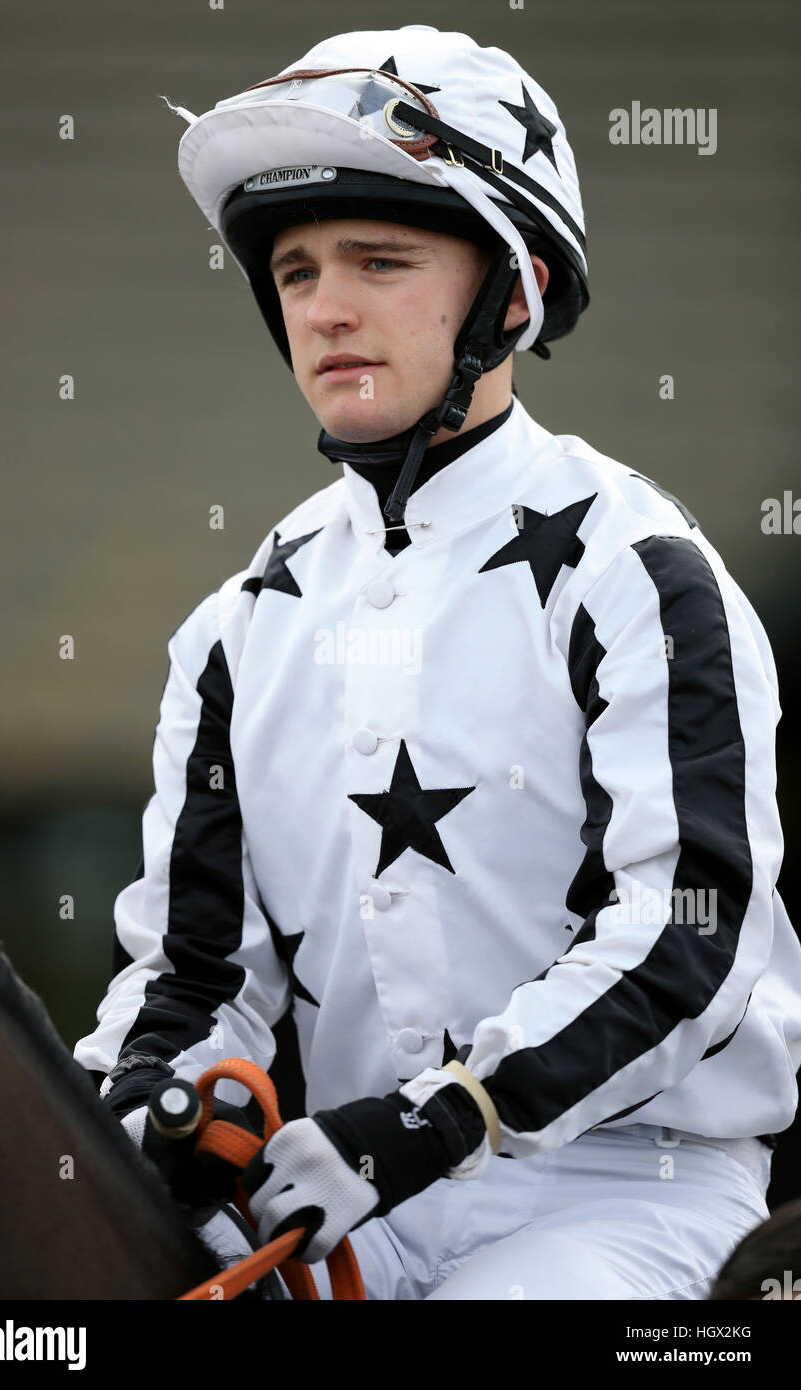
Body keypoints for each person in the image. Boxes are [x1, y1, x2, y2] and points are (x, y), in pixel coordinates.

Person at [74, 25, 801, 1300]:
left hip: (626, 1191)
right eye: (295, 273)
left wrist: (446, 1116)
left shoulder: (641, 569)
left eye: (380, 261)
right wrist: (151, 1116)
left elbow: (687, 936)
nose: (326, 309)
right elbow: (190, 978)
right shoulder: (236, 627)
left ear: (509, 295)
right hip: (343, 1188)